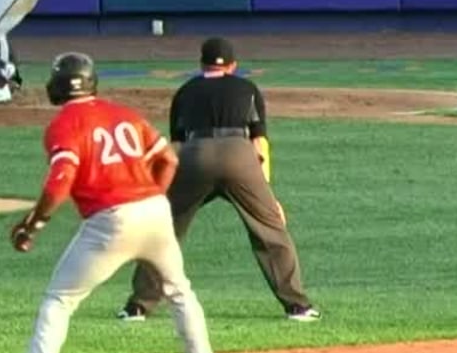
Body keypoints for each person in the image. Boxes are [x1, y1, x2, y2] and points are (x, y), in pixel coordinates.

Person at [0, 52, 230, 353]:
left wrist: (33, 224)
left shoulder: (64, 125)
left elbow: (59, 184)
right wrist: (152, 197)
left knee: (59, 299)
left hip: (110, 221)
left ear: (57, 87)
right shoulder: (124, 114)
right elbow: (170, 160)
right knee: (180, 293)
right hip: (155, 211)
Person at [120, 38, 321, 323]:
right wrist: (267, 194)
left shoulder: (185, 91)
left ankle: (138, 307)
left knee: (163, 231)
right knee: (270, 231)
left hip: (194, 156)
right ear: (233, 65)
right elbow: (259, 142)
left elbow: (175, 147)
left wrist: (162, 194)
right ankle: (297, 307)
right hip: (238, 156)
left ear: (201, 64)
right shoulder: (247, 89)